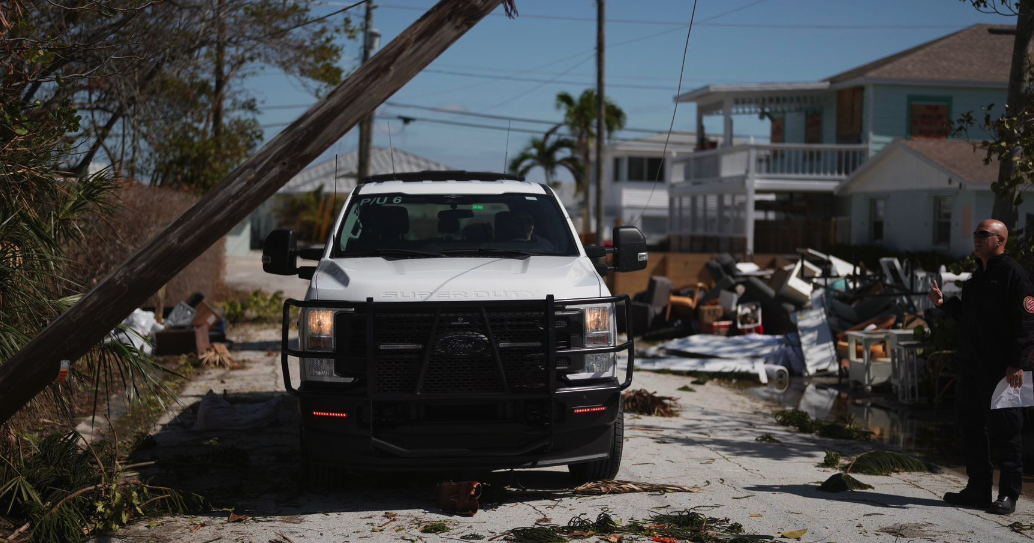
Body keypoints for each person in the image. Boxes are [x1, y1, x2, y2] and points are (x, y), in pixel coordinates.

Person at [928, 219, 1034, 515]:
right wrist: (943, 303)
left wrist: (1016, 364)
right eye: (975, 233)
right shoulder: (976, 279)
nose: (976, 238)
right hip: (971, 367)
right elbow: (968, 317)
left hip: (1001, 371)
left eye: (983, 235)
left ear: (1000, 240)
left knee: (1006, 432)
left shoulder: (1015, 276)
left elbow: (1027, 325)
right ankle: (977, 489)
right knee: (971, 429)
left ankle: (1009, 495)